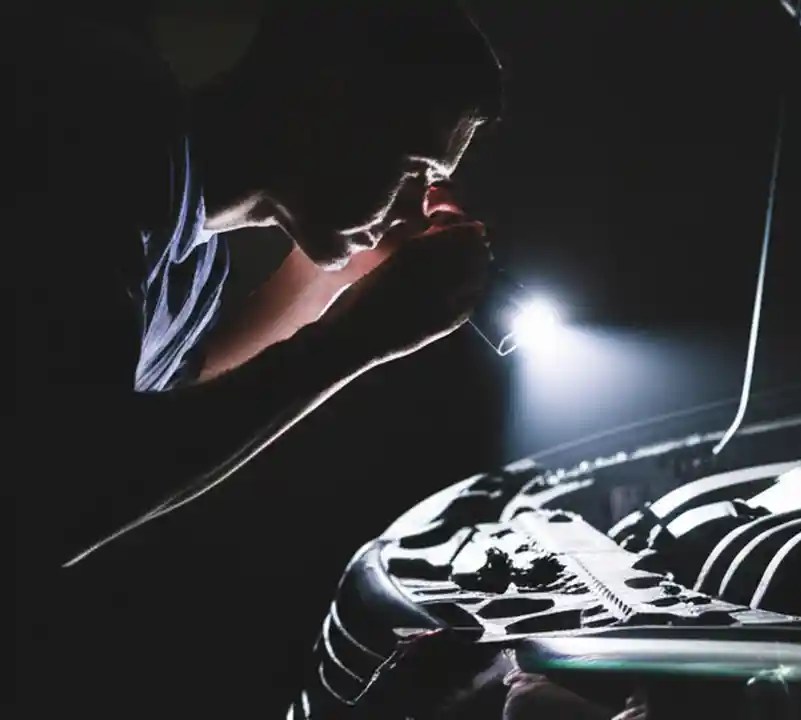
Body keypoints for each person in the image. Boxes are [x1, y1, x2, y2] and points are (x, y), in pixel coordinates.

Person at [8, 0, 501, 712]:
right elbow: (64, 489)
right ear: (329, 91)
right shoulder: (100, 115)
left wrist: (336, 278)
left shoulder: (187, 259)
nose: (409, 205)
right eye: (412, 165)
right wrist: (360, 339)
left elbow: (173, 408)